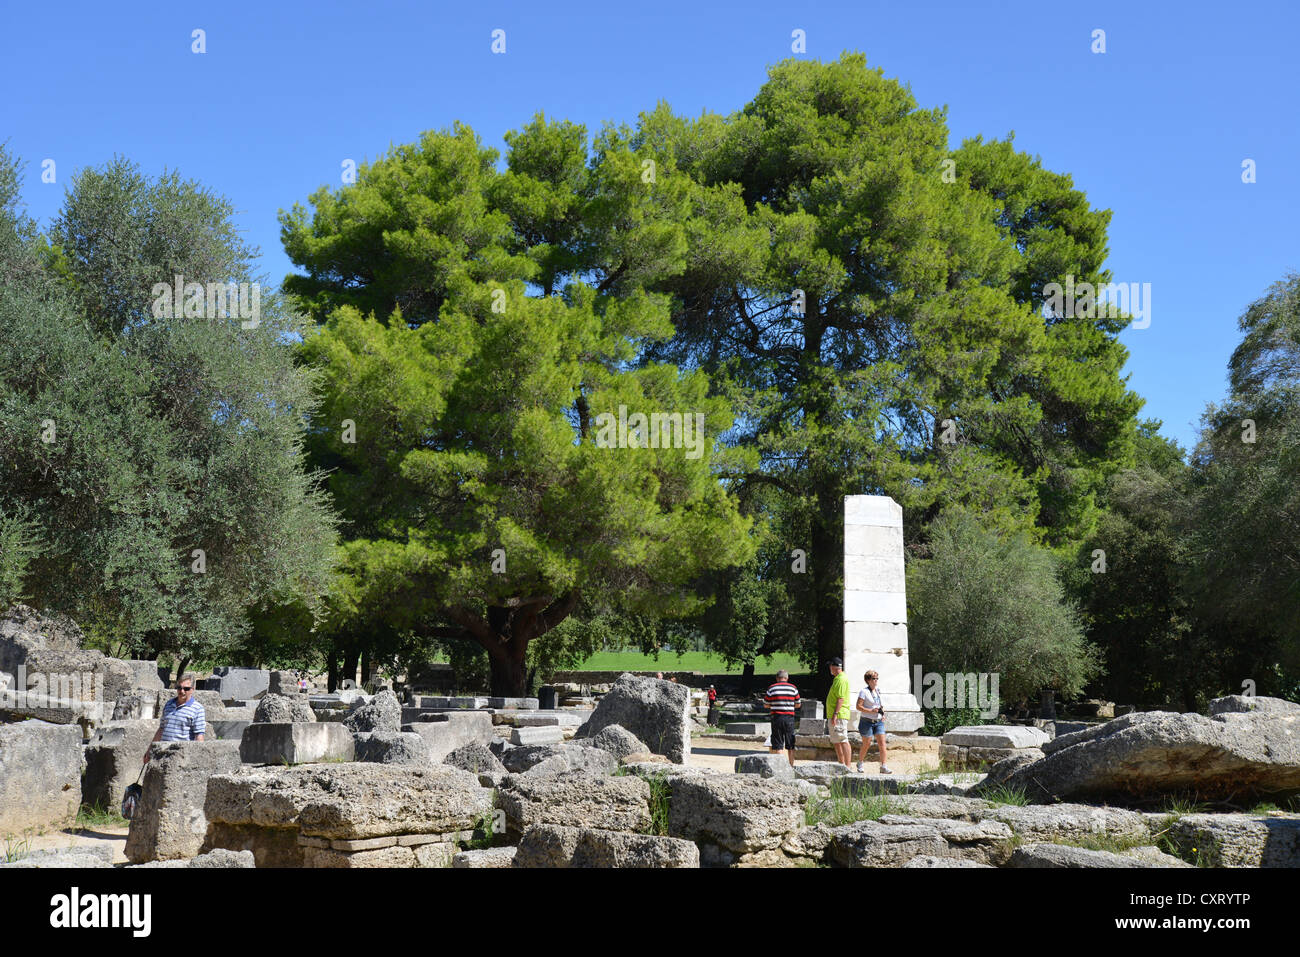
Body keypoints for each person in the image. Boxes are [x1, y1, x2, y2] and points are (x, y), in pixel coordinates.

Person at [144, 676, 206, 764]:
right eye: (179, 688)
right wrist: (150, 750)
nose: (182, 691)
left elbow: (199, 736)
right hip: (162, 754)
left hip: (181, 757)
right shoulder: (169, 704)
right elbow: (161, 729)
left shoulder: (198, 709)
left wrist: (198, 760)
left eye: (186, 689)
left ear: (192, 689)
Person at [856, 670, 891, 774]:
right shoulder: (864, 692)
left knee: (882, 743)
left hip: (878, 721)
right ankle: (860, 762)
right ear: (868, 680)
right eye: (873, 679)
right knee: (867, 743)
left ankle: (883, 766)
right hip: (866, 721)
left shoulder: (878, 691)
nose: (876, 680)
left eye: (877, 678)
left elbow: (880, 705)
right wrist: (870, 710)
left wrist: (882, 714)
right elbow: (858, 706)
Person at [763, 670, 801, 767]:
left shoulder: (772, 688)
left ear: (777, 678)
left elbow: (766, 705)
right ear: (787, 678)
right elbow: (798, 704)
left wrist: (774, 705)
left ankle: (780, 767)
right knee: (790, 744)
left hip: (777, 718)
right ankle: (791, 766)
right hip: (789, 718)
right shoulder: (793, 688)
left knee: (778, 744)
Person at [826, 657, 852, 767]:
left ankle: (847, 766)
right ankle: (841, 765)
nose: (829, 668)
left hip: (839, 715)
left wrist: (835, 714)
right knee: (836, 740)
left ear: (834, 667)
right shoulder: (838, 678)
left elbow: (840, 698)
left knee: (842, 739)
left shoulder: (841, 679)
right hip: (835, 714)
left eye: (830, 666)